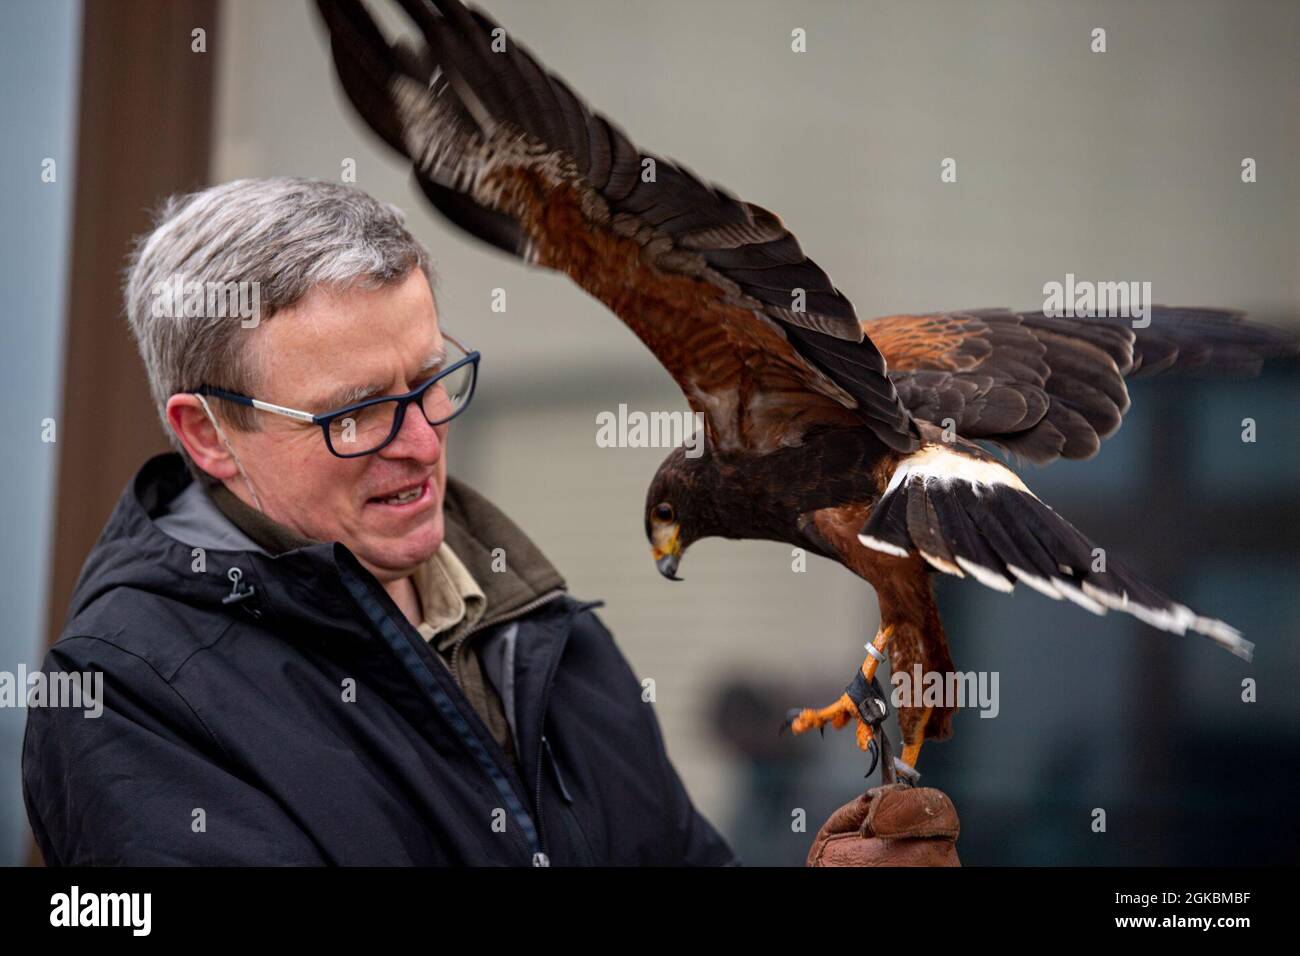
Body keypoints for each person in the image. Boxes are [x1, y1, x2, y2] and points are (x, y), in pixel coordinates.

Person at [22, 177, 958, 866]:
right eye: (354, 413)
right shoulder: (125, 706)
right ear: (210, 433)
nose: (422, 441)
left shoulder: (538, 627)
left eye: (430, 383)